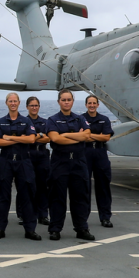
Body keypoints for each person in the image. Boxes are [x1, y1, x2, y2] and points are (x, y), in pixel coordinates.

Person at [0, 93, 41, 241]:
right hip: (5, 161)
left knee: (27, 196)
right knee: (3, 196)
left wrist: (10, 137)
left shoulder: (26, 121)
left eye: (15, 101)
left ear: (19, 103)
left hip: (23, 161)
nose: (13, 103)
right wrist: (20, 139)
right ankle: (0, 229)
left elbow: (31, 139)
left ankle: (30, 230)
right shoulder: (0, 122)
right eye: (10, 101)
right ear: (6, 103)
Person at [46, 89, 94, 241]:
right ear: (59, 102)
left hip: (78, 162)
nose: (66, 102)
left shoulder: (80, 119)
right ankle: (55, 229)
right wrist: (78, 137)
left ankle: (81, 228)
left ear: (72, 101)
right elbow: (55, 139)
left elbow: (87, 135)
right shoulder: (52, 120)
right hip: (60, 162)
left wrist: (65, 134)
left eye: (69, 100)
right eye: (63, 100)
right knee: (57, 197)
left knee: (80, 196)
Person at [83, 95, 114, 228]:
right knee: (84, 187)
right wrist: (98, 136)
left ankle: (105, 217)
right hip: (85, 153)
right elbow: (82, 137)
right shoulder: (81, 119)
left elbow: (106, 137)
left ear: (97, 105)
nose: (92, 105)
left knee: (103, 186)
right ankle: (83, 218)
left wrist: (89, 135)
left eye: (94, 103)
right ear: (86, 105)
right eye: (89, 103)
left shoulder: (104, 119)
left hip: (100, 153)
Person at [25, 97, 51, 226]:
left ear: (39, 107)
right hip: (27, 155)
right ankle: (24, 214)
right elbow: (24, 138)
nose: (34, 108)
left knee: (43, 185)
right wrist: (40, 135)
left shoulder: (45, 122)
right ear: (27, 107)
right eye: (31, 105)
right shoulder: (23, 121)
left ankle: (43, 215)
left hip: (42, 155)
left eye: (36, 105)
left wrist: (34, 137)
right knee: (26, 185)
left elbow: (48, 139)